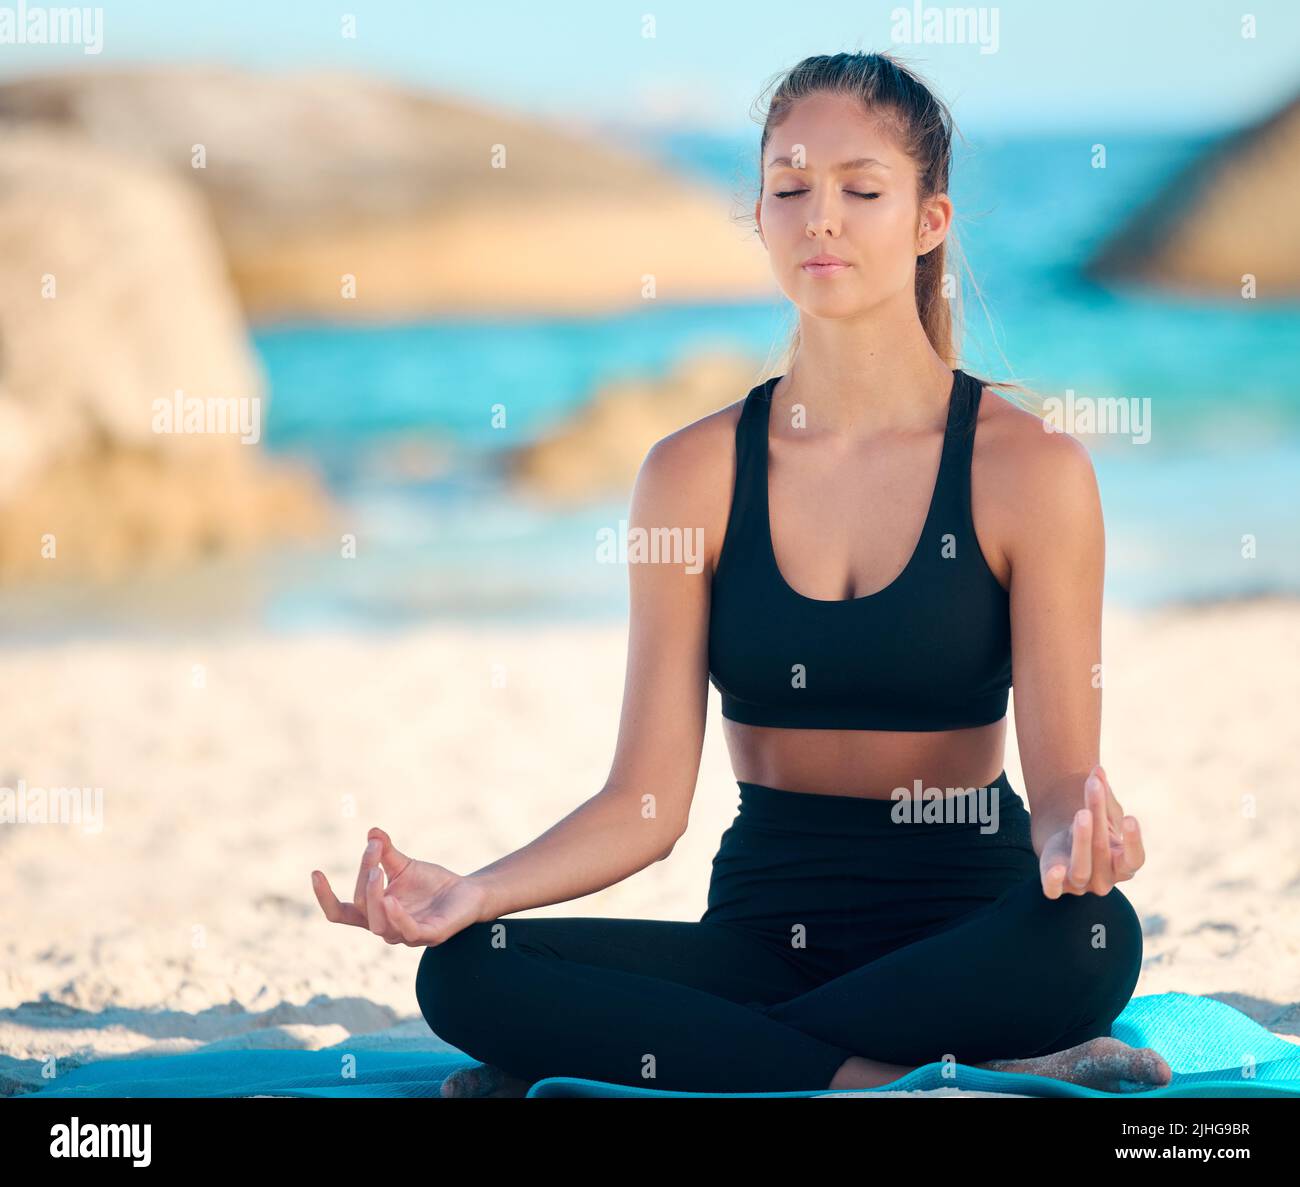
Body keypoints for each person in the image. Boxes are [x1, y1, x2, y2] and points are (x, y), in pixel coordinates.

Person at [311, 51, 1172, 1097]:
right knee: (468, 973)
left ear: (928, 221)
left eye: (860, 189)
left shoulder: (1030, 469)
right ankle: (888, 1074)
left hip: (970, 932)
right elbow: (644, 802)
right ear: (757, 216)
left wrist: (1082, 842)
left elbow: (1057, 795)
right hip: (764, 934)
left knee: (1093, 938)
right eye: (788, 187)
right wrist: (473, 890)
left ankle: (698, 1060)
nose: (820, 217)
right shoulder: (690, 474)